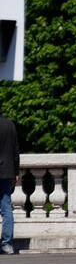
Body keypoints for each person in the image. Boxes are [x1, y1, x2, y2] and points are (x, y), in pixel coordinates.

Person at [0, 108, 19, 256]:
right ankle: (7, 244)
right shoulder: (10, 125)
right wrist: (16, 172)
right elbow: (15, 150)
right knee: (6, 207)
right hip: (7, 171)